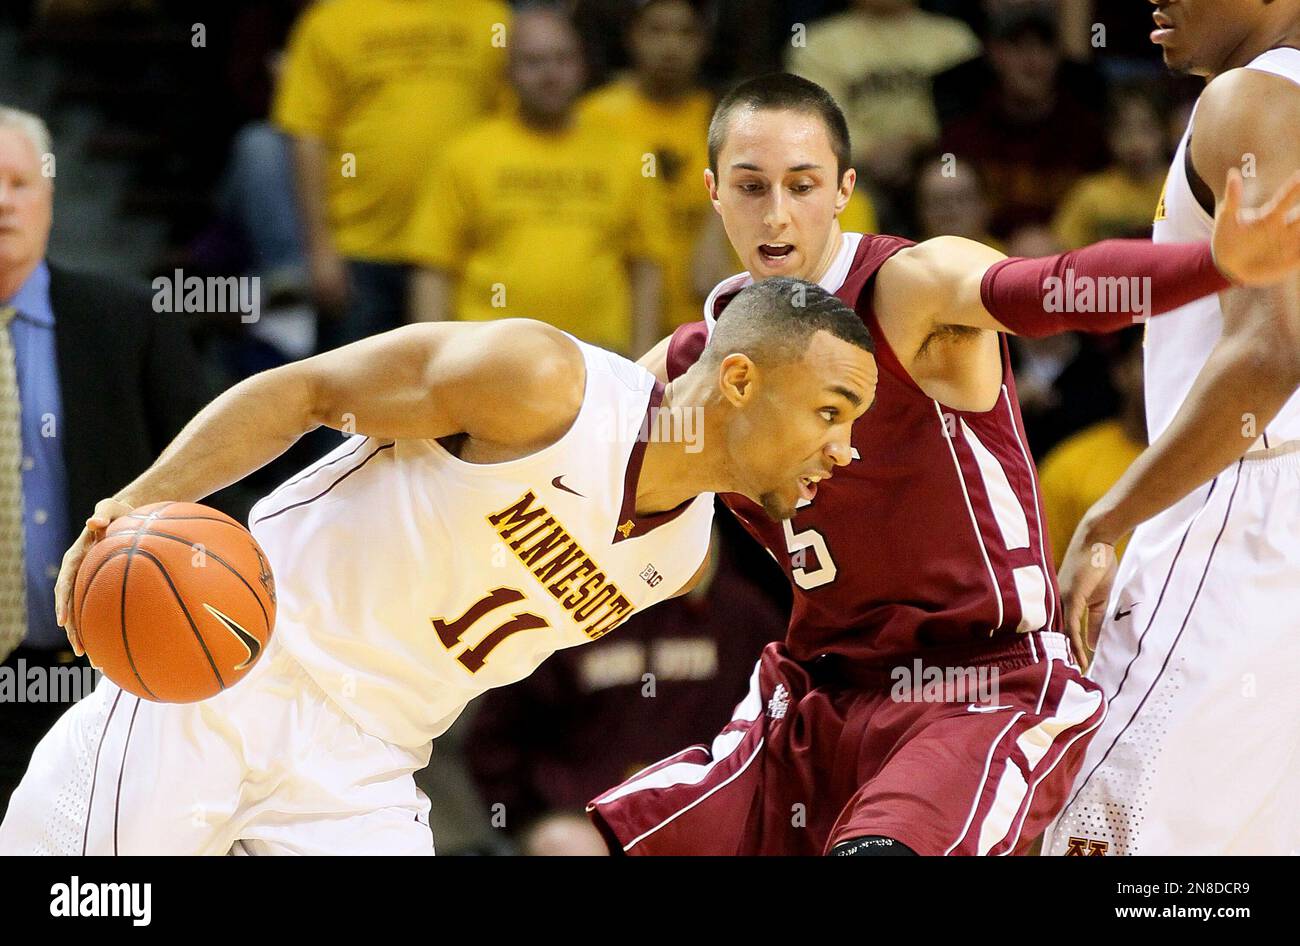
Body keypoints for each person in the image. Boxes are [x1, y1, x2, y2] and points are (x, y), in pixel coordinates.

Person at [586, 72, 1300, 856]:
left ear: (845, 190)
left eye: (803, 184)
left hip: (978, 686)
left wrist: (1213, 266)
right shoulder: (695, 366)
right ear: (714, 193)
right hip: (816, 695)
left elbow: (1050, 290)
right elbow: (577, 440)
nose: (778, 213)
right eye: (752, 187)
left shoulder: (908, 289)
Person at [0, 277, 878, 855]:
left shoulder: (681, 551)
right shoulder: (542, 384)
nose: (844, 451)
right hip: (240, 667)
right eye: (832, 412)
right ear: (737, 382)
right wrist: (129, 508)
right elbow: (302, 393)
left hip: (369, 755)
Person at [1047, 1, 1300, 857]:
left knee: (1092, 837)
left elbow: (1269, 355)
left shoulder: (1250, 97)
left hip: (1241, 505)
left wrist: (1111, 513)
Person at [0, 106, 211, 818]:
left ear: (51, 197)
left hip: (107, 667)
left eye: (20, 182)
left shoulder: (129, 321)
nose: (4, 200)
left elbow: (211, 480)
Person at [407, 7, 670, 358]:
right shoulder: (466, 155)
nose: (551, 74)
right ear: (508, 72)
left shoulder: (627, 156)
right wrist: (433, 361)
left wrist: (643, 366)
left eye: (563, 59)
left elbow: (646, 268)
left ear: (582, 65)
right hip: (488, 358)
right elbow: (434, 270)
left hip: (599, 360)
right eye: (534, 62)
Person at [273, 0, 510, 351]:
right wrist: (320, 250)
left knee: (458, 395)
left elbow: (510, 130)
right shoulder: (332, 20)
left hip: (462, 256)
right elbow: (308, 136)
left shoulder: (491, 19)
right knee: (351, 394)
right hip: (361, 251)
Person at [580, 0, 714, 332]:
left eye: (685, 32)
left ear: (703, 42)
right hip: (619, 318)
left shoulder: (720, 116)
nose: (671, 46)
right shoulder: (596, 116)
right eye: (656, 30)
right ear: (632, 37)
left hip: (701, 315)